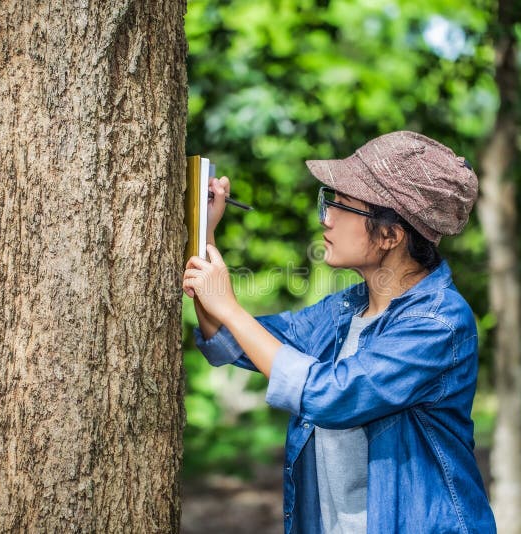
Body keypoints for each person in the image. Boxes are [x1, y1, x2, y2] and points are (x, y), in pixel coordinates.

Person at [183, 131, 496, 534]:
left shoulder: (438, 324)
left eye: (341, 205)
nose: (326, 218)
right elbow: (231, 342)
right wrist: (205, 234)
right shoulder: (347, 309)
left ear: (390, 235)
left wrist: (228, 304)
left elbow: (331, 394)